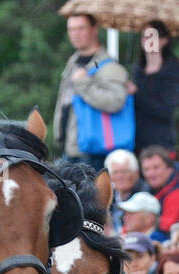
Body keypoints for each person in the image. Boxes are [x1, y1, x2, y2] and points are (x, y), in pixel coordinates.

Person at [52, 13, 130, 167]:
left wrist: (83, 83)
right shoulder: (73, 62)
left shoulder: (109, 65)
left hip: (93, 152)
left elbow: (115, 101)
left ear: (94, 29)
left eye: (81, 28)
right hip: (70, 149)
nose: (75, 34)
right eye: (71, 29)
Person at [129, 20, 179, 153]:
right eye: (144, 36)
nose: (147, 40)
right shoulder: (138, 70)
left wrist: (137, 93)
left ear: (164, 40)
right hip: (135, 141)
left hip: (159, 143)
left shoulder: (173, 70)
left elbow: (166, 110)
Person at [139, 146, 179, 234]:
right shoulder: (148, 189)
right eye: (146, 169)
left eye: (156, 167)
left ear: (169, 168)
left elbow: (168, 227)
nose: (151, 173)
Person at [104, 149, 145, 232]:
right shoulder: (107, 196)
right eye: (115, 172)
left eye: (124, 171)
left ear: (136, 173)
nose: (120, 176)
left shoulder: (144, 194)